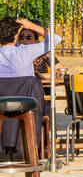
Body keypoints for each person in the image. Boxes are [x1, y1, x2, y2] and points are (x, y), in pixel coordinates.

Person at [0, 17, 59, 156]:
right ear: (16, 36)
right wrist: (30, 25)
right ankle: (32, 151)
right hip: (25, 109)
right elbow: (56, 38)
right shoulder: (25, 52)